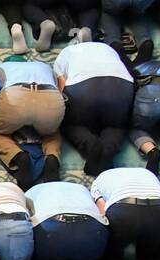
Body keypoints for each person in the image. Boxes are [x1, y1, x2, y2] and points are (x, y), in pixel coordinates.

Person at [53, 39, 134, 175]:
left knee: (71, 124)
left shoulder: (65, 52)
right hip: (120, 86)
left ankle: (90, 145)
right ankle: (108, 149)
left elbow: (60, 87)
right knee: (116, 125)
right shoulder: (107, 47)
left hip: (83, 88)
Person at [0, 54, 64, 189]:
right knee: (52, 134)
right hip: (50, 97)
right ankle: (51, 156)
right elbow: (60, 85)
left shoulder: (0, 67)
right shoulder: (44, 66)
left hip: (16, 96)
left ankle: (17, 156)